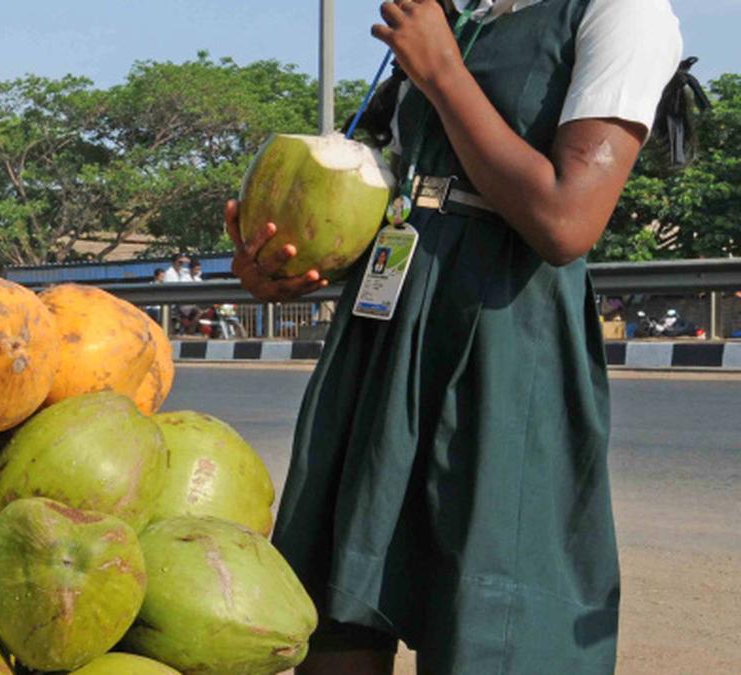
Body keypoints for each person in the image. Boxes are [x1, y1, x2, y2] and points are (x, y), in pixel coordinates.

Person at [225, 1, 683, 673]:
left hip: (505, 338)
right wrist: (294, 262)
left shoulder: (622, 11)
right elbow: (417, 185)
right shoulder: (459, 10)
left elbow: (567, 219)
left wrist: (440, 67)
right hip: (385, 325)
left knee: (495, 622)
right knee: (336, 605)